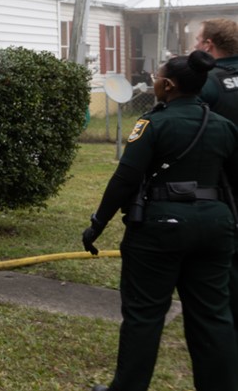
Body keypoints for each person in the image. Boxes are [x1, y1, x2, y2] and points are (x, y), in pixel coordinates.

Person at [82, 50, 238, 391]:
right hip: (215, 228)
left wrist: (98, 223)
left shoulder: (153, 123)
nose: (153, 82)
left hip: (159, 230)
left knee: (145, 315)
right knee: (213, 316)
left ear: (167, 85)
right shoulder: (224, 127)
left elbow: (125, 179)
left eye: (156, 78)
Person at [192, 18, 238, 337]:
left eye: (198, 40)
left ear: (209, 46)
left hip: (225, 187)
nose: (195, 45)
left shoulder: (208, 82)